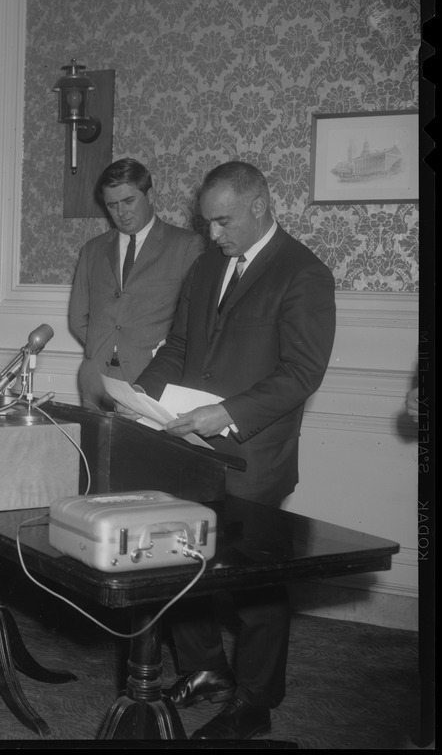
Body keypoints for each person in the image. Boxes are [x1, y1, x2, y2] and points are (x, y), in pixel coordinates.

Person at [120, 161, 336, 741]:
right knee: (179, 560)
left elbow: (302, 372)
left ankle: (256, 702)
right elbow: (181, 346)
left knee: (252, 583)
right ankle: (206, 670)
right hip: (190, 448)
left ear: (260, 206)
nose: (213, 234)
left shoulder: (303, 273)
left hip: (252, 454)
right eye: (207, 222)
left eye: (223, 222)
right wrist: (141, 393)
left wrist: (228, 412)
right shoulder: (207, 265)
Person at [68, 158, 204, 411]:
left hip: (150, 381)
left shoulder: (186, 246)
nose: (121, 213)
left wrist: (137, 350)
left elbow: (192, 322)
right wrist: (104, 346)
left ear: (150, 196)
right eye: (112, 205)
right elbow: (78, 316)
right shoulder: (92, 249)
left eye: (129, 201)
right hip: (95, 380)